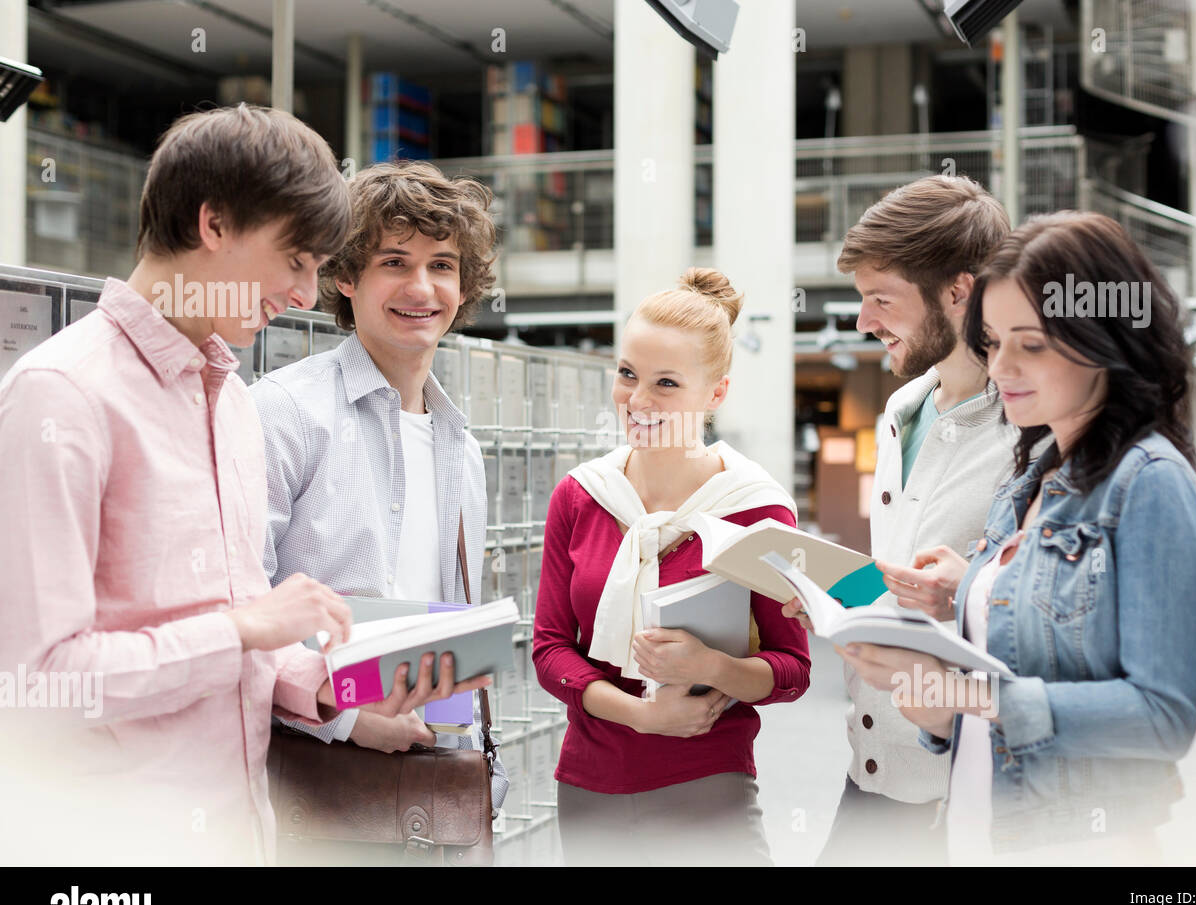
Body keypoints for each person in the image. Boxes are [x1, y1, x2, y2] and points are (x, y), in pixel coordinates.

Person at [0, 106, 449, 866]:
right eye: (297, 259)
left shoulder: (233, 401)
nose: (307, 293)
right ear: (214, 224)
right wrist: (244, 629)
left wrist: (329, 689)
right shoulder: (61, 396)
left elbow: (241, 637)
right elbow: (37, 685)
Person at [842, 211, 1196, 863]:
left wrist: (965, 694)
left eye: (1033, 343)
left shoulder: (1152, 484)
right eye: (991, 341)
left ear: (1104, 338)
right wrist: (938, 706)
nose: (1001, 366)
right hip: (983, 830)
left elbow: (1164, 717)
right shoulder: (1031, 482)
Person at [532, 268, 811, 866]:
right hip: (589, 788)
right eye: (627, 374)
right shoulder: (582, 496)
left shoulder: (755, 510)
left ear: (716, 394)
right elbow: (550, 650)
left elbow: (792, 671)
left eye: (666, 383)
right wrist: (641, 715)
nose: (637, 401)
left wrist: (713, 667)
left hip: (707, 790)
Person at [253, 160, 505, 808]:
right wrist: (344, 715)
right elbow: (239, 606)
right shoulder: (283, 411)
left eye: (442, 265)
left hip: (426, 778)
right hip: (312, 779)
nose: (422, 287)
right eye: (395, 262)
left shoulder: (462, 448)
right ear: (345, 276)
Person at [785, 175, 1015, 866]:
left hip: (961, 788)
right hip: (873, 768)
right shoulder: (901, 411)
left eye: (881, 300)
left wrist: (969, 579)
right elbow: (905, 579)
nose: (863, 321)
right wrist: (825, 599)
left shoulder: (1028, 430)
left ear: (959, 292)